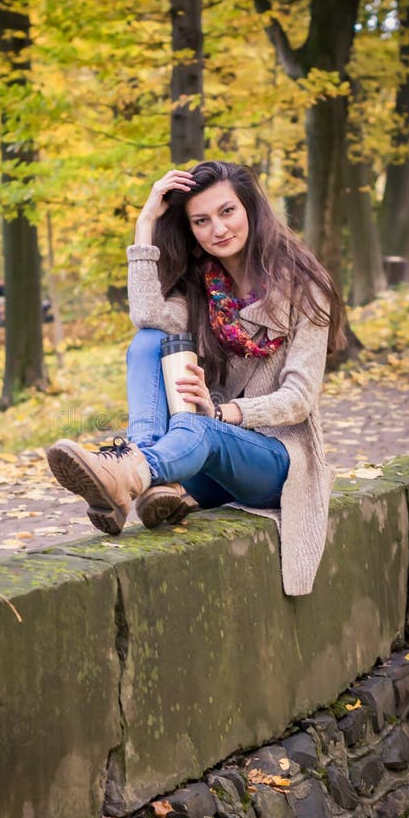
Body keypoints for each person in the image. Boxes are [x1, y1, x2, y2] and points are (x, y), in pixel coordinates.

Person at [46, 161, 346, 595]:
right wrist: (145, 221)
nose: (217, 229)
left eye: (227, 212)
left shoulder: (304, 287)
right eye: (201, 221)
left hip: (279, 461)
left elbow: (299, 398)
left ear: (251, 210)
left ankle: (125, 476)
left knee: (198, 426)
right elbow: (146, 317)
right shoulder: (206, 289)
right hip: (206, 454)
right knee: (150, 341)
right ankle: (146, 470)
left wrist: (226, 412)